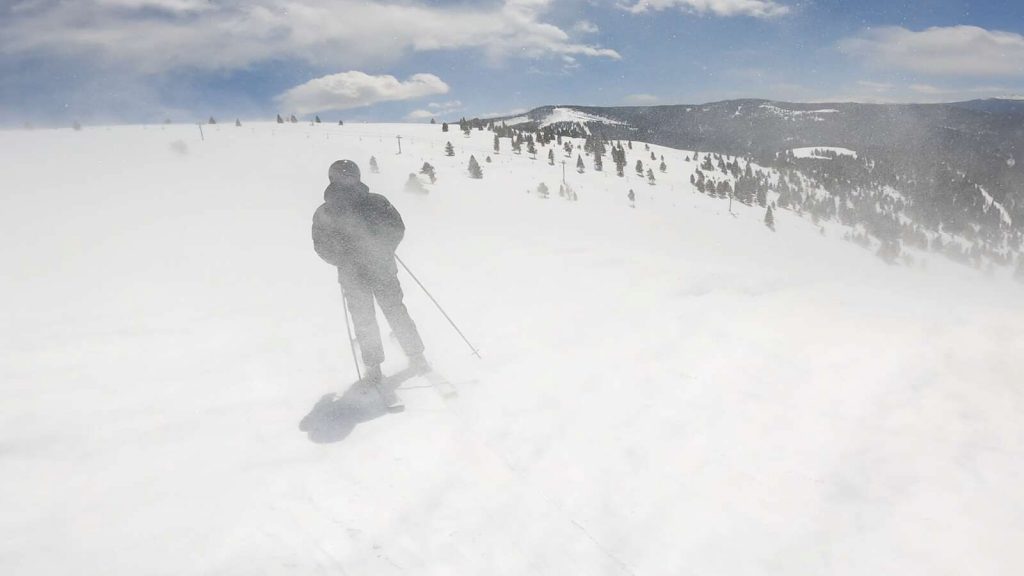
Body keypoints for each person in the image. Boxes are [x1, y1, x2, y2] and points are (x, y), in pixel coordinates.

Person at [312, 160, 428, 384]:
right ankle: (375, 366)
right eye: (342, 176)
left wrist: (382, 247)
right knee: (366, 319)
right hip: (356, 273)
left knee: (392, 312)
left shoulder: (374, 201)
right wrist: (342, 257)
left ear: (356, 176)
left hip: (378, 268)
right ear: (333, 179)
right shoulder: (326, 211)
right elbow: (320, 244)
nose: (346, 180)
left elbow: (396, 228)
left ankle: (415, 355)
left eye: (349, 175)